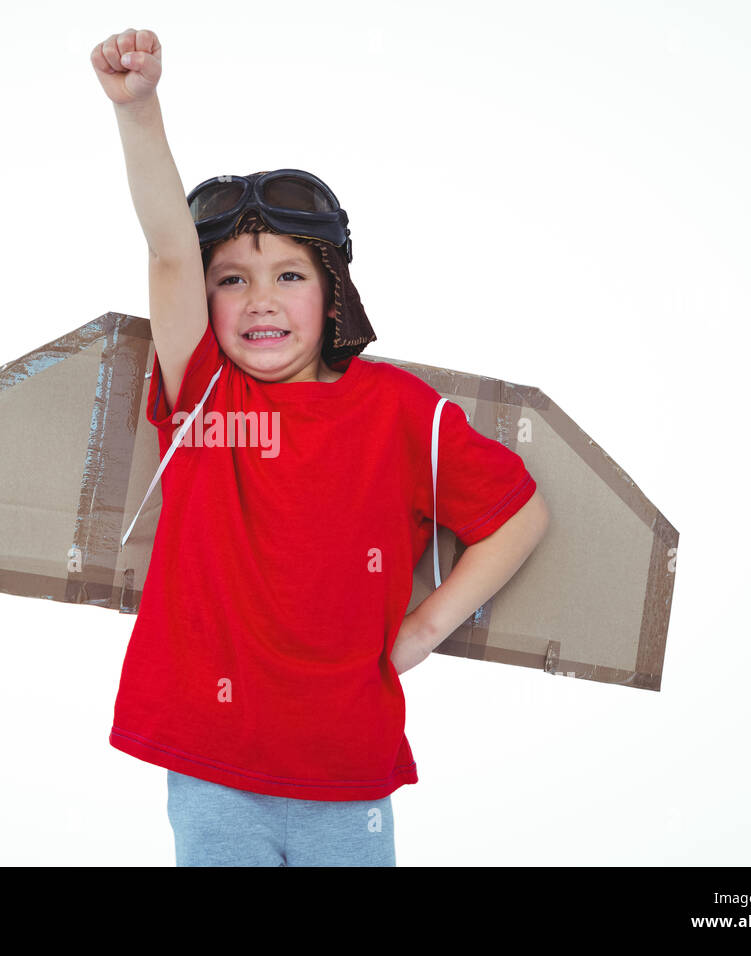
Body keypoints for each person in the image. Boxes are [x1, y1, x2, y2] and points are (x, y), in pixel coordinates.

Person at [90, 28, 550, 867]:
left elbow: (517, 515)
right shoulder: (203, 400)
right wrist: (139, 107)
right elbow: (166, 249)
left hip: (349, 775)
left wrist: (425, 628)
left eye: (289, 275)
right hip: (214, 768)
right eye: (232, 278)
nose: (260, 301)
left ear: (332, 289)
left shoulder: (403, 412)